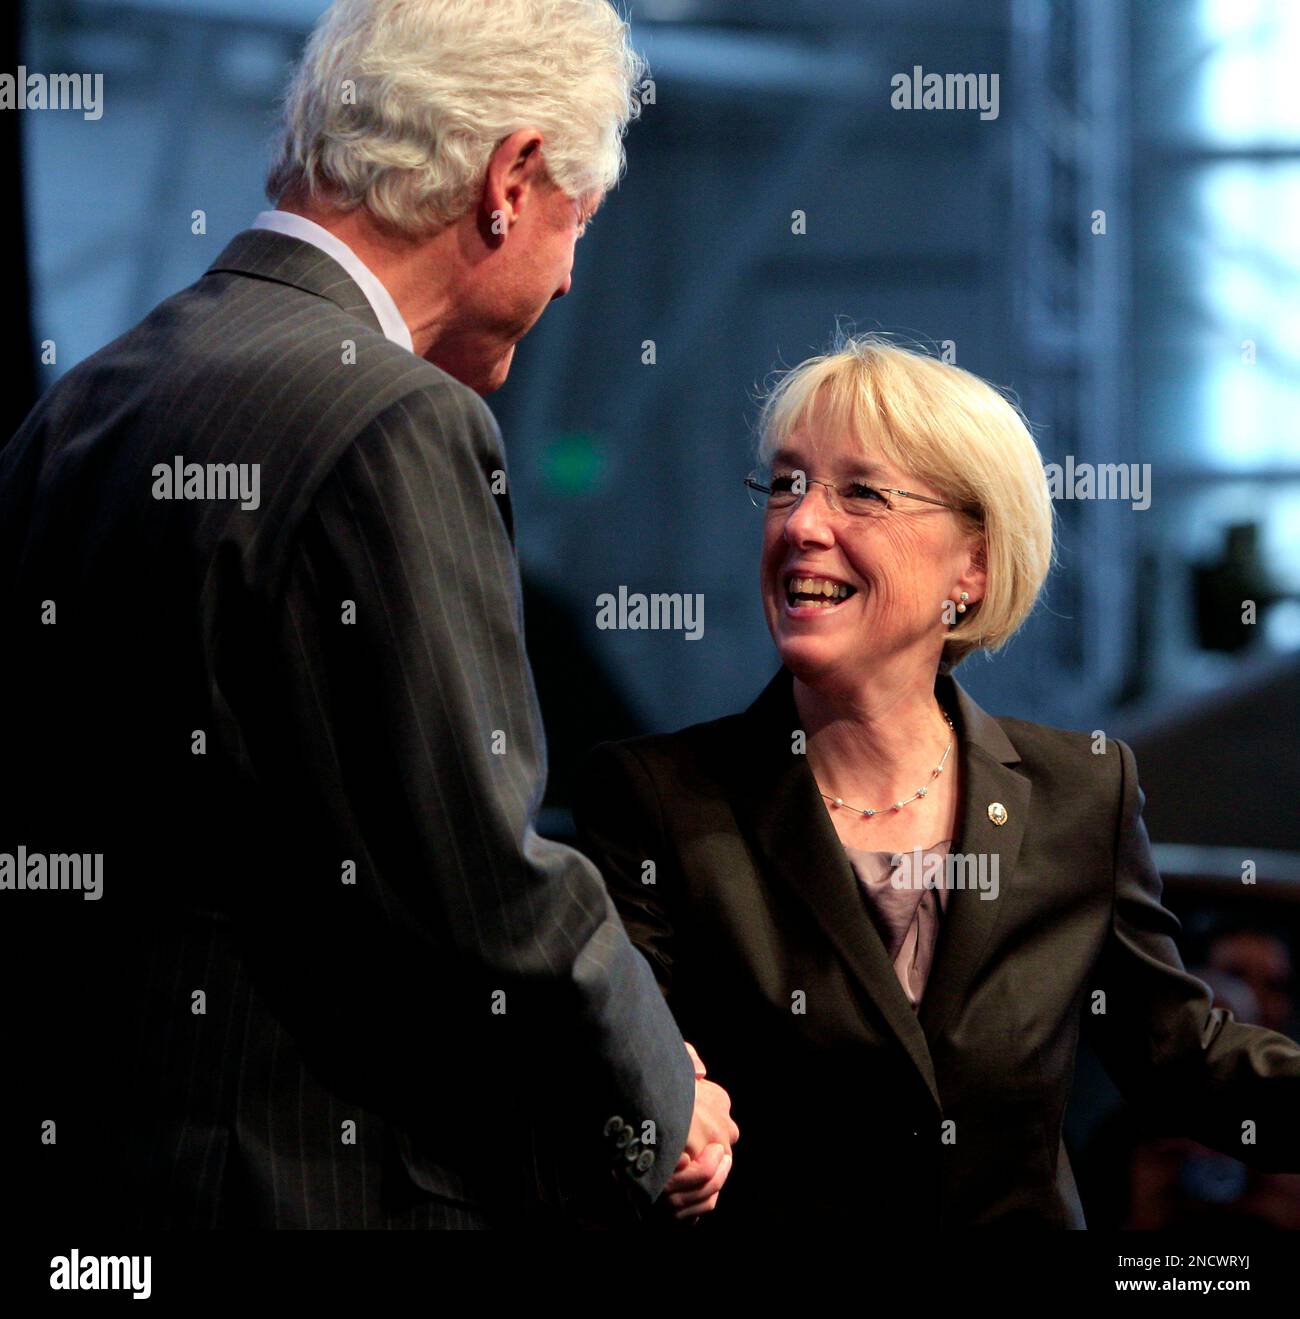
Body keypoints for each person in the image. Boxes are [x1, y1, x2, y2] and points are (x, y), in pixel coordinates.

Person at [0, 0, 735, 1230]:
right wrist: (661, 1097)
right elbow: (481, 878)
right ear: (510, 178)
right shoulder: (396, 421)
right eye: (578, 223)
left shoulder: (86, 400)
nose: (567, 272)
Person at [574, 333, 1300, 1227]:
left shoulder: (1082, 794)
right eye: (789, 483)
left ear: (975, 565)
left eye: (863, 493)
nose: (802, 522)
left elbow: (1185, 1060)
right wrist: (662, 1120)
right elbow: (608, 1068)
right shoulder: (653, 800)